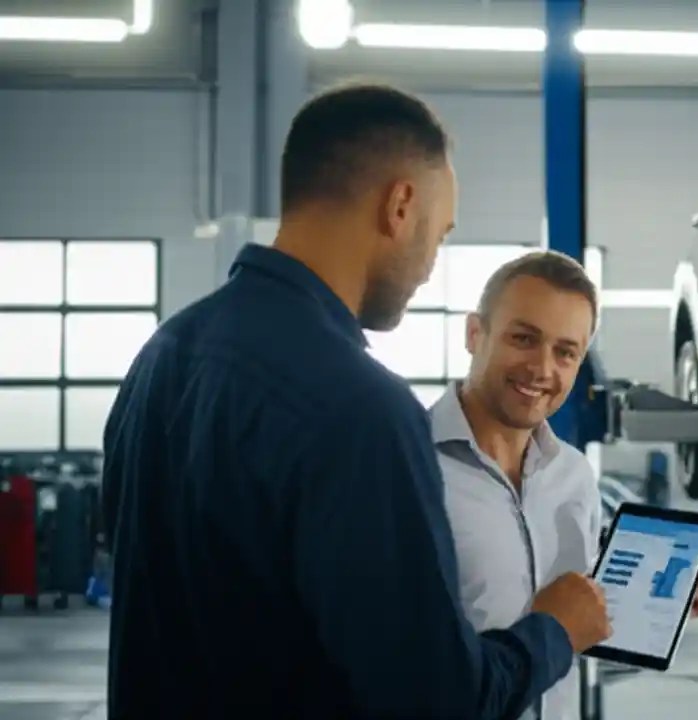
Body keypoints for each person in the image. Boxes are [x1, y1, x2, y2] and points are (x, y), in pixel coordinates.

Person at [99, 82, 611, 720]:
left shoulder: (163, 356)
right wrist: (554, 631)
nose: (429, 265)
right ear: (401, 206)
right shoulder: (364, 409)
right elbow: (437, 700)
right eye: (439, 235)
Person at [429, 251, 698, 720]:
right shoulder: (411, 469)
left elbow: (577, 637)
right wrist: (554, 627)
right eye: (524, 339)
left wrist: (655, 604)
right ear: (474, 334)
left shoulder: (574, 476)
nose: (543, 369)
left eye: (566, 352)